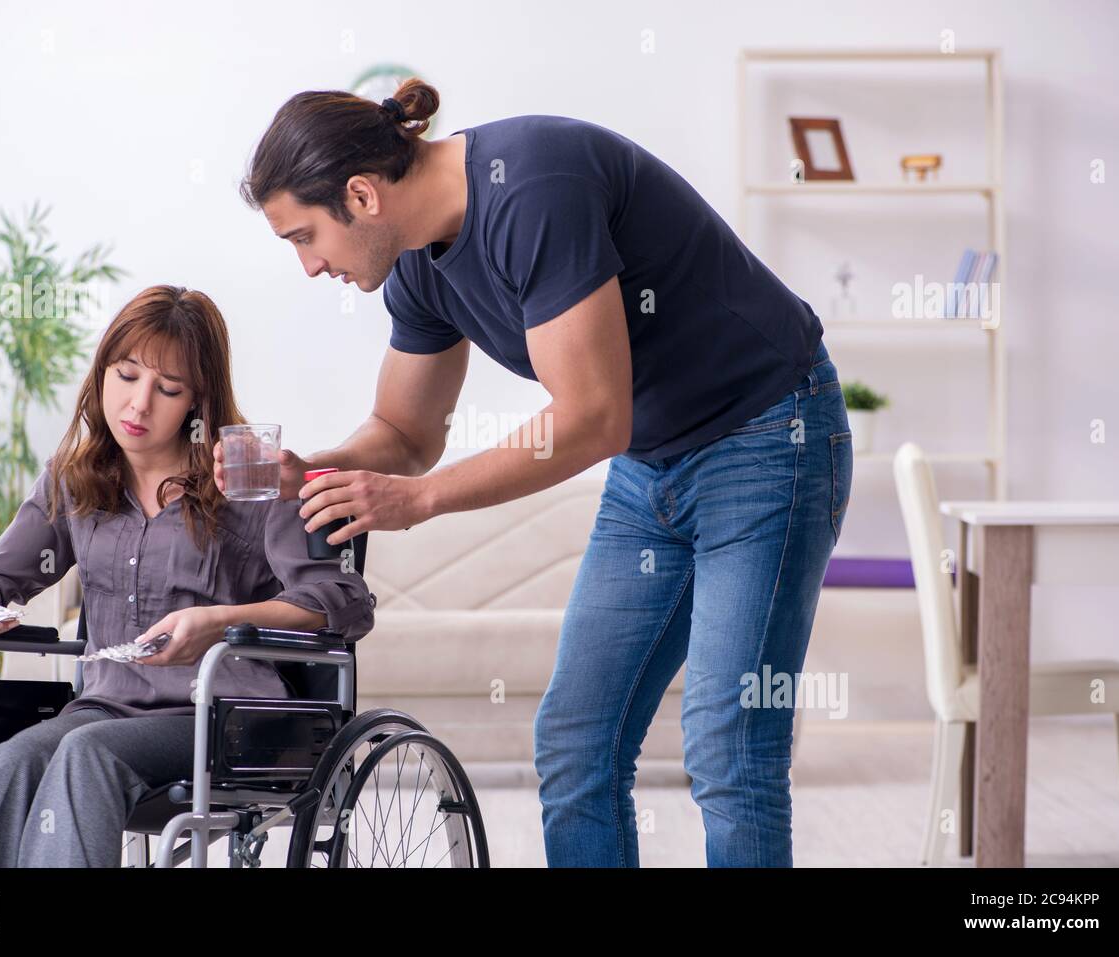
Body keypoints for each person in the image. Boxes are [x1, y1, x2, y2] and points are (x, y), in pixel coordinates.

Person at [218, 78, 853, 867]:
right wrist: (310, 467)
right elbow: (404, 433)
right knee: (578, 739)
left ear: (360, 195)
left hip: (766, 433)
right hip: (653, 464)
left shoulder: (532, 188)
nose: (310, 267)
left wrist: (417, 502)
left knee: (731, 747)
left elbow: (590, 415)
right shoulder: (418, 264)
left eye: (304, 237)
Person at [0, 284, 374, 867]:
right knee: (13, 759)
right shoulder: (76, 480)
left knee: (85, 755)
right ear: (102, 372)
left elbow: (342, 601)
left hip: (221, 716)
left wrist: (223, 623)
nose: (138, 404)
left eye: (168, 389)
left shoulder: (251, 480)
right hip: (106, 707)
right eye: (126, 375)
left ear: (197, 402)